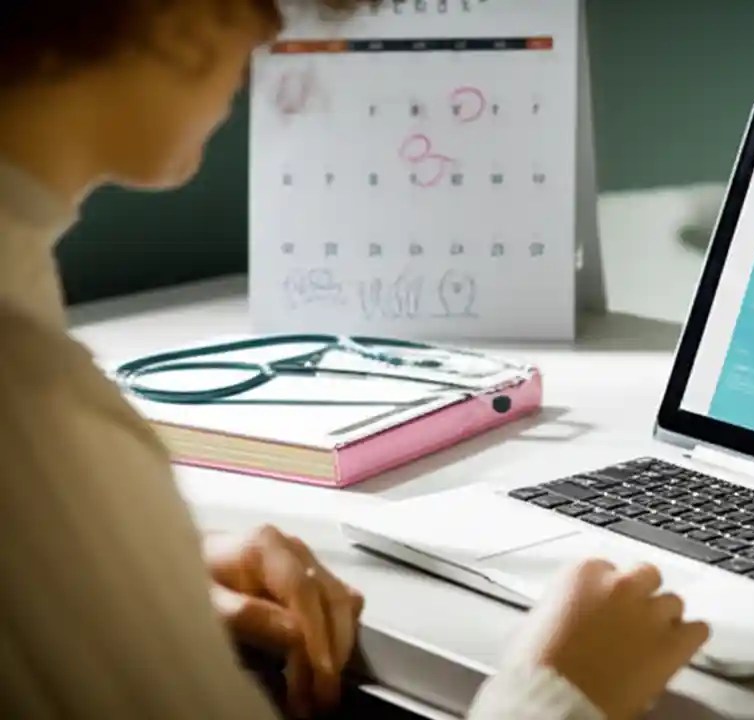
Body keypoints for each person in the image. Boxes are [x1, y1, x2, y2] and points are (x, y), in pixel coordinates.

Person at [0, 2, 710, 718]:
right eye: (266, 7)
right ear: (181, 18)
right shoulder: (34, 406)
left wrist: (140, 570)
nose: (269, 40)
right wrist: (562, 691)